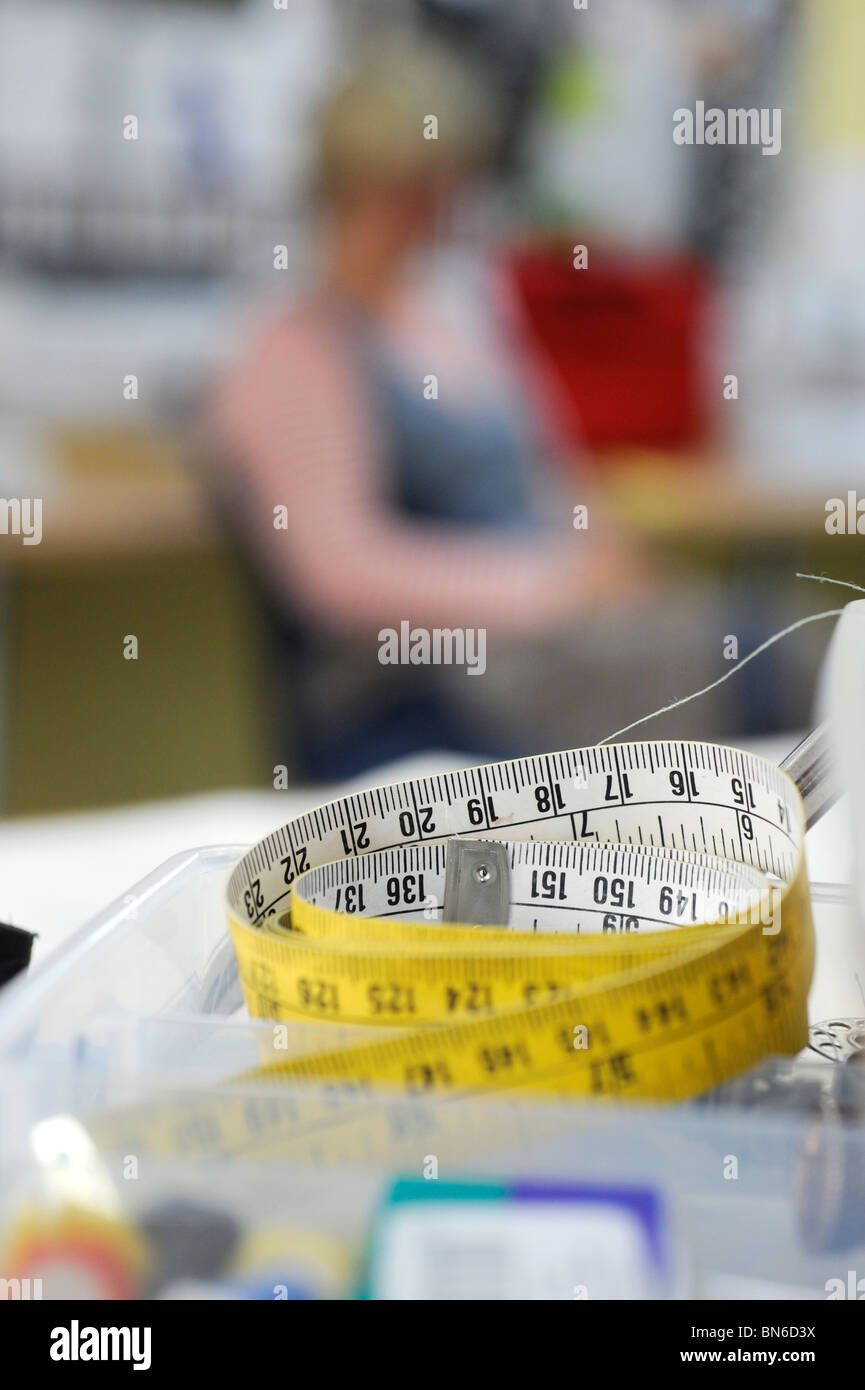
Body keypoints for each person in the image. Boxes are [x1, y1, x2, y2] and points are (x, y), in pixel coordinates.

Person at [207, 39, 649, 778]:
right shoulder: (296, 348)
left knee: (757, 652)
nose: (440, 209)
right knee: (763, 671)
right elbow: (338, 574)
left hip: (541, 661)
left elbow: (550, 481)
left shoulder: (459, 315)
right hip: (416, 696)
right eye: (421, 189)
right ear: (361, 186)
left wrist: (604, 557)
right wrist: (555, 584)